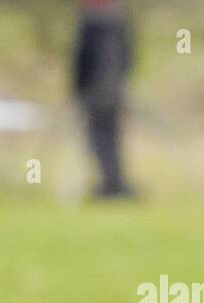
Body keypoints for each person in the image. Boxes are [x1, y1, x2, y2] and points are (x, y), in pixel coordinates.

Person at [73, 0, 135, 199]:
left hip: (95, 93)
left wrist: (78, 89)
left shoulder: (90, 25)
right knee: (111, 138)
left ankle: (111, 184)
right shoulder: (119, 23)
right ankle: (114, 183)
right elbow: (129, 57)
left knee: (99, 139)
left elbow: (83, 59)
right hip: (116, 91)